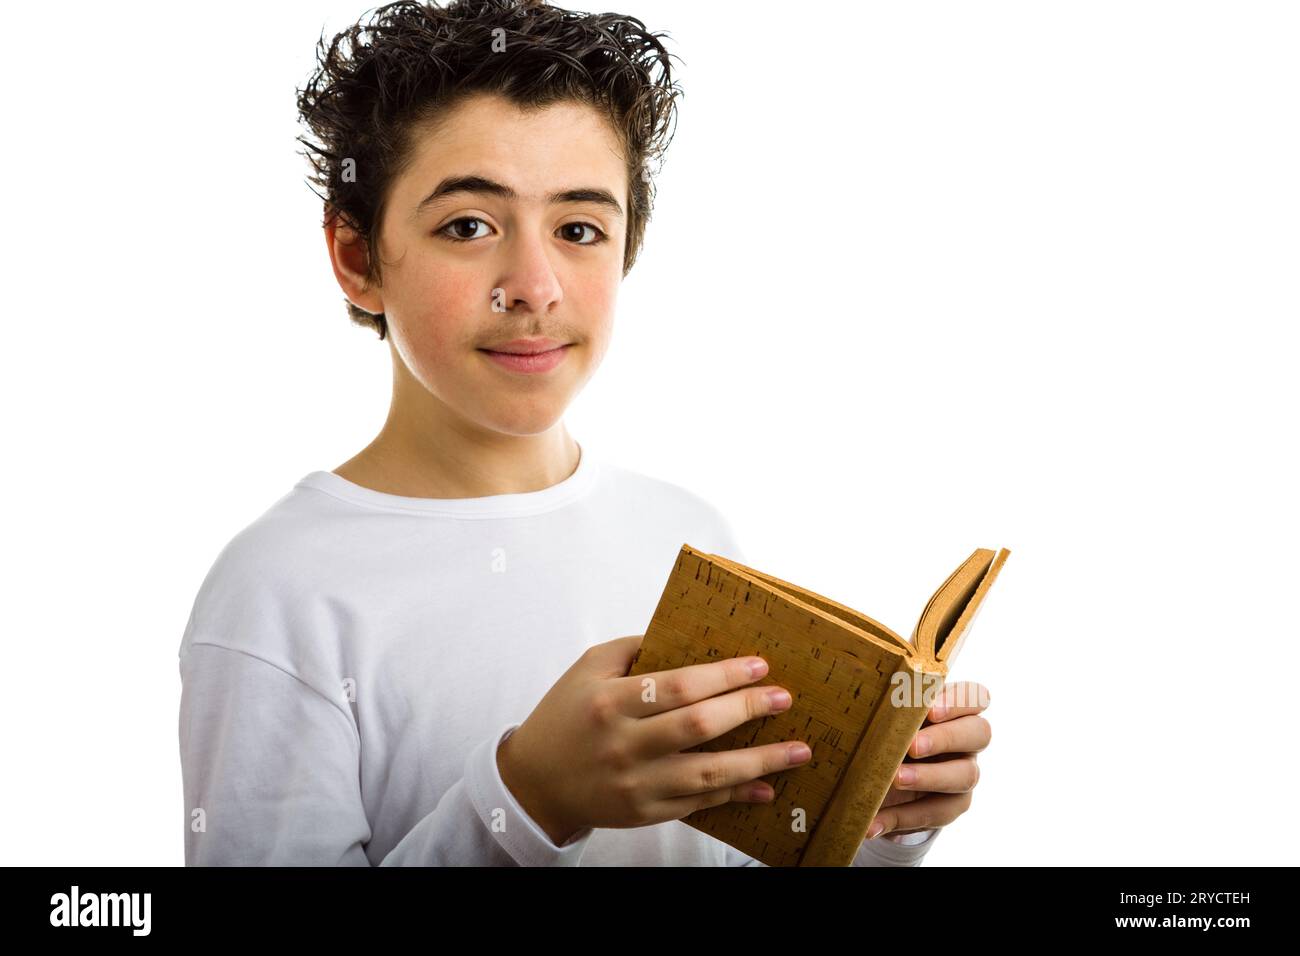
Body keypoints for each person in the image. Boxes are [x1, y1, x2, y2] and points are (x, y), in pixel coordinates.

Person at [178, 0, 990, 866]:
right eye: (468, 226)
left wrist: (879, 814)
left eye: (578, 229)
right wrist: (530, 799)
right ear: (358, 257)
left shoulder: (689, 536)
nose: (533, 286)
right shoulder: (277, 593)